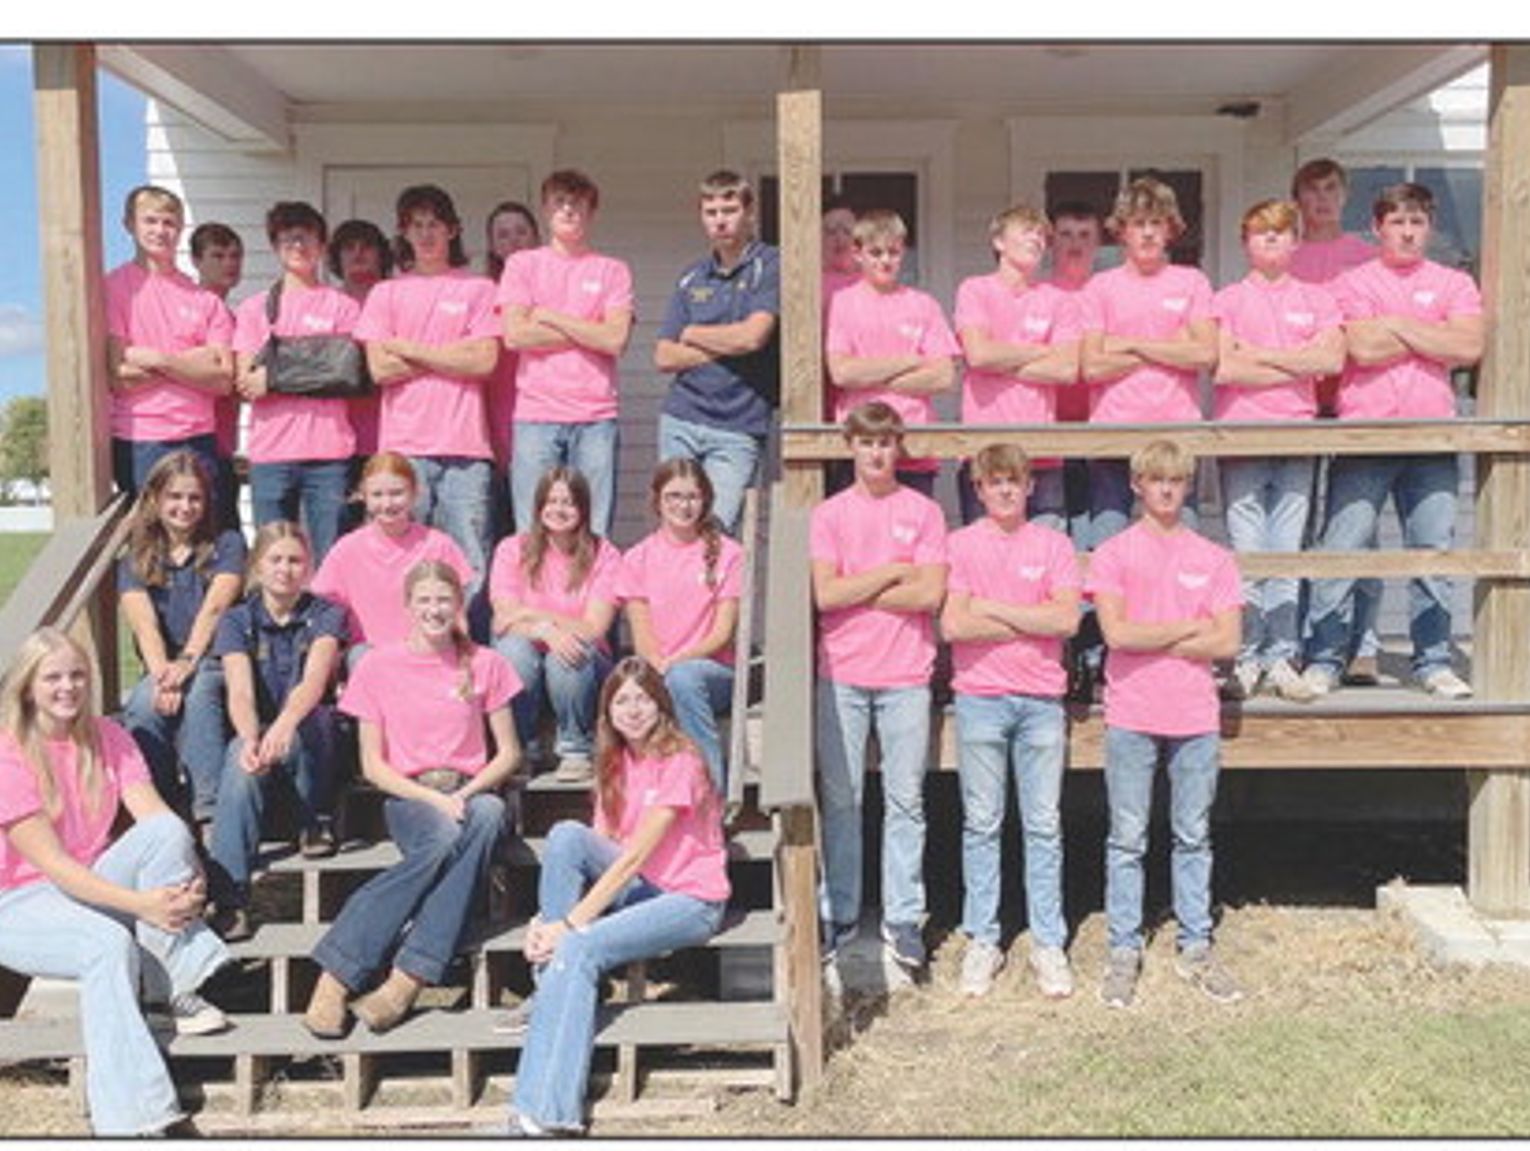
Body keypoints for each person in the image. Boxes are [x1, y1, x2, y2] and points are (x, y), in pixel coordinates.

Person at [0, 628, 232, 1136]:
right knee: (106, 945)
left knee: (169, 831)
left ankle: (163, 988)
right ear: (27, 686)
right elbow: (54, 865)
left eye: (78, 675)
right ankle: (136, 1121)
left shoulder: (108, 735)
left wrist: (188, 881)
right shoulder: (8, 751)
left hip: (89, 886)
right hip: (18, 904)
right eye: (53, 677)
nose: (69, 687)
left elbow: (154, 819)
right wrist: (143, 905)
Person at [508, 656, 729, 1137]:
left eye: (643, 698)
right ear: (607, 712)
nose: (632, 709)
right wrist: (545, 922)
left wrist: (568, 927)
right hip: (639, 890)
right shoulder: (615, 763)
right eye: (621, 700)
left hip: (690, 900)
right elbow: (599, 849)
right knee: (567, 835)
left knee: (579, 948)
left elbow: (631, 858)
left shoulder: (682, 759)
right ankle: (550, 980)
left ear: (661, 704)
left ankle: (547, 1116)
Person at [303, 561, 520, 1037]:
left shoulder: (486, 663)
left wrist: (463, 792)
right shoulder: (378, 665)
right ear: (408, 607)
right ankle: (343, 977)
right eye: (424, 600)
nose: (434, 609)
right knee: (443, 838)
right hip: (409, 795)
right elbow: (372, 766)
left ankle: (401, 981)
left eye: (443, 599)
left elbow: (508, 753)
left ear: (458, 605)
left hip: (470, 788)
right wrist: (432, 798)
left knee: (489, 814)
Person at [1301, 182, 1484, 700]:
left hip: (1432, 435)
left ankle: (1433, 661)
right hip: (1366, 432)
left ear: (1430, 228)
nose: (1407, 232)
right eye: (1397, 223)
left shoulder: (1453, 282)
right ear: (1378, 227)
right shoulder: (1353, 281)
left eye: (1417, 222)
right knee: (1342, 549)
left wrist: (1398, 325)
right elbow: (1361, 345)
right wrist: (1429, 335)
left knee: (1433, 553)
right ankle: (1324, 658)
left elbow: (1468, 345)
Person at [1085, 439, 1244, 1010]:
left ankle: (1195, 944)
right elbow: (1117, 634)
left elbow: (1226, 641)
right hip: (1132, 711)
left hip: (1194, 715)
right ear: (1138, 486)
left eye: (1177, 481)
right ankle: (1124, 948)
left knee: (1192, 834)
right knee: (1126, 838)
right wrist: (1186, 630)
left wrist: (1156, 631)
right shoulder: (1114, 554)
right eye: (1157, 480)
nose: (1167, 490)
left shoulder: (1214, 557)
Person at [941, 443, 1080, 999]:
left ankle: (1048, 941)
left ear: (1029, 488)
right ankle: (984, 937)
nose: (1003, 491)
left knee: (1043, 823)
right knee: (982, 822)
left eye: (1012, 482)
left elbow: (1066, 618)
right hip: (980, 696)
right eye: (992, 482)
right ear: (978, 490)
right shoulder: (960, 545)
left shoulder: (1054, 545)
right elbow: (953, 625)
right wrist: (1030, 621)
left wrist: (993, 610)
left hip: (1041, 698)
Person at [812, 401, 947, 972]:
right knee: (843, 801)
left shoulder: (923, 512)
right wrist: (894, 570)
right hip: (842, 671)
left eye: (886, 443)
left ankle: (902, 918)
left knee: (906, 802)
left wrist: (859, 585)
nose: (876, 453)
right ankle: (840, 913)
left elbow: (930, 596)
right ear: (851, 447)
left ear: (898, 449)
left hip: (905, 676)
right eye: (866, 443)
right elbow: (826, 596)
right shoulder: (830, 515)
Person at [1212, 199, 1345, 702]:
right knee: (1247, 548)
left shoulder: (1319, 299)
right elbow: (1225, 367)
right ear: (1246, 242)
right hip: (1242, 435)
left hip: (1296, 433)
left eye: (1280, 233)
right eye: (1260, 233)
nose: (1270, 240)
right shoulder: (1227, 300)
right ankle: (1247, 655)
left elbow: (1330, 359)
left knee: (1286, 548)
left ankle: (1283, 655)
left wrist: (1260, 356)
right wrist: (1296, 361)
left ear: (1295, 242)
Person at [354, 184, 500, 615]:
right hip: (405, 450)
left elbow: (484, 361)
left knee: (469, 562)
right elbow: (381, 369)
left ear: (453, 230)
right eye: (416, 226)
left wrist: (410, 348)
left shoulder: (478, 288)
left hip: (466, 450)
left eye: (434, 224)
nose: (426, 234)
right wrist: (451, 353)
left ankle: (467, 658)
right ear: (404, 233)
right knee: (403, 561)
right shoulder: (386, 293)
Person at [206, 522, 347, 942]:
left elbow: (314, 681)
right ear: (257, 565)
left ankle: (313, 820)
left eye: (295, 560)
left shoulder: (325, 614)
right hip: (262, 729)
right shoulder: (236, 619)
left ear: (308, 566)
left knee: (310, 722)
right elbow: (241, 691)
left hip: (309, 735)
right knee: (238, 759)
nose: (285, 569)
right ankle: (230, 899)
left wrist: (285, 723)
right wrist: (250, 738)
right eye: (276, 560)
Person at [1078, 177, 1217, 547]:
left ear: (1171, 229)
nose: (1148, 233)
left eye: (1157, 223)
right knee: (1107, 541)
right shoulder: (1100, 287)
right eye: (1139, 223)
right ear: (1122, 230)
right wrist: (1172, 346)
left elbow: (1205, 354)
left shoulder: (1192, 282)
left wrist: (1129, 345)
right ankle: (1104, 609)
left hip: (1176, 430)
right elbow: (1091, 366)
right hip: (1113, 430)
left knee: (1181, 541)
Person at [1289, 159, 1384, 686]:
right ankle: (1305, 639)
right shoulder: (1287, 258)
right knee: (1300, 528)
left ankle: (1361, 643)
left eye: (1330, 189)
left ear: (1344, 196)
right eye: (1311, 190)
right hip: (1299, 400)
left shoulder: (1365, 259)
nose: (1322, 199)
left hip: (1357, 399)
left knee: (1357, 526)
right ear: (1298, 199)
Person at [501, 169, 635, 539]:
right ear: (545, 209)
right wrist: (587, 328)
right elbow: (515, 335)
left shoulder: (612, 270)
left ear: (591, 211)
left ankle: (592, 596)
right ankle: (534, 597)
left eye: (577, 202)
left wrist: (549, 316)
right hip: (535, 415)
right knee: (531, 527)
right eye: (559, 201)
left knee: (593, 527)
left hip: (596, 416)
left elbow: (614, 340)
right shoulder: (523, 265)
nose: (568, 209)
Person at [117, 450, 246, 829]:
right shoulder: (135, 556)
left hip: (213, 656)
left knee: (202, 690)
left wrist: (186, 663)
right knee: (142, 705)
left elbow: (215, 609)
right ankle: (159, 806)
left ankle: (209, 810)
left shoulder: (227, 544)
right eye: (174, 497)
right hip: (164, 662)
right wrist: (163, 675)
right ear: (155, 499)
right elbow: (145, 626)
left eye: (194, 498)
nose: (184, 506)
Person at [232, 201, 362, 565]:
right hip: (271, 454)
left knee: (332, 558)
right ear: (275, 247)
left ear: (321, 246)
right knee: (273, 560)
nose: (299, 247)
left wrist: (275, 374)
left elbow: (348, 371)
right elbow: (246, 379)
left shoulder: (344, 306)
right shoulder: (256, 309)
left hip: (330, 455)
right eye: (289, 239)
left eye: (307, 238)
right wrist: (320, 362)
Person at [653, 170, 781, 536]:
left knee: (716, 529)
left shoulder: (769, 265)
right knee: (674, 529)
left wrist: (693, 334)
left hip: (738, 425)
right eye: (711, 212)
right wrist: (726, 345)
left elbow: (753, 337)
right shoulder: (692, 277)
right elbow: (663, 355)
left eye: (729, 209)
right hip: (682, 418)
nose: (720, 219)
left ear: (750, 212)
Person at [104, 185, 234, 516]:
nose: (160, 231)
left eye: (169, 223)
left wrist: (158, 359)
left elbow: (222, 380)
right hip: (141, 438)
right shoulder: (113, 289)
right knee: (149, 536)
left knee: (202, 539)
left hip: (199, 436)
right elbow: (119, 375)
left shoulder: (204, 300)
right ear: (129, 225)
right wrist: (192, 364)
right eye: (150, 221)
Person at [617, 459, 744, 796]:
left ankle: (709, 793)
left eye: (692, 497)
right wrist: (659, 666)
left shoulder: (728, 554)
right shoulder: (636, 558)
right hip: (657, 669)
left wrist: (675, 663)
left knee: (684, 678)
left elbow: (722, 634)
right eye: (673, 496)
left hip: (712, 672)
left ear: (706, 501)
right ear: (657, 500)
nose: (683, 506)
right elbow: (641, 635)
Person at [953, 203, 1082, 528]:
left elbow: (1066, 369)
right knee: (983, 558)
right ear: (999, 242)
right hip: (985, 451)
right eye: (1027, 232)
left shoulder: (1058, 299)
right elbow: (978, 355)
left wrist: (1001, 359)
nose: (1037, 240)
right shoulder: (975, 290)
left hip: (1042, 452)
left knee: (1044, 557)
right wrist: (1039, 352)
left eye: (1041, 234)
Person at [489, 466, 621, 784]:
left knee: (567, 652)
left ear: (583, 508)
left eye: (568, 502)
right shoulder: (512, 549)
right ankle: (520, 746)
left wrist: (534, 618)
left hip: (585, 667)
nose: (558, 510)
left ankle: (576, 748)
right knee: (513, 651)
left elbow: (594, 628)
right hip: (528, 656)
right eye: (551, 501)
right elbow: (503, 618)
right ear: (538, 507)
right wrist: (548, 629)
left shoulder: (605, 554)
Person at [824, 210, 959, 498]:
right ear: (857, 253)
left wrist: (871, 377)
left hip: (914, 444)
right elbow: (842, 373)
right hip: (860, 444)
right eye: (876, 252)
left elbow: (944, 377)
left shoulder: (924, 304)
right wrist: (909, 361)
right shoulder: (843, 302)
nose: (885, 260)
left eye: (893, 252)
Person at [311, 451, 475, 665]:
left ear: (415, 493)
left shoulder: (438, 545)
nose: (387, 504)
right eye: (377, 495)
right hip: (370, 658)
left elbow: (458, 614)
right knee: (362, 657)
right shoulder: (346, 550)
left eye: (397, 493)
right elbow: (323, 610)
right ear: (363, 496)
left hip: (429, 654)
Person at [483, 202, 542, 540]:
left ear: (536, 237)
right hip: (494, 418)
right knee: (499, 530)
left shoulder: (552, 290)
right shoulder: (484, 292)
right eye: (503, 234)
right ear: (491, 245)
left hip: (543, 416)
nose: (513, 241)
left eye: (521, 232)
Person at [326, 217, 394, 490]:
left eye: (366, 247)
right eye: (348, 247)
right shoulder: (327, 305)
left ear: (381, 254)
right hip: (337, 440)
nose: (358, 254)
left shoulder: (396, 298)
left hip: (392, 436)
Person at [190, 221, 246, 533]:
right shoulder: (191, 309)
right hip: (196, 437)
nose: (229, 264)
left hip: (224, 443)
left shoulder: (234, 317)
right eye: (218, 255)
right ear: (197, 260)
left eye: (236, 256)